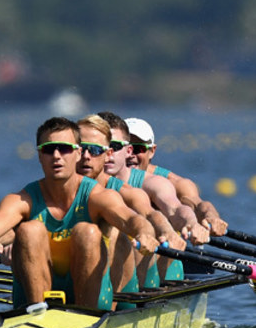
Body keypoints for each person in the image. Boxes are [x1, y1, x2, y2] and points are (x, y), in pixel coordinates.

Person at [0, 116, 160, 311]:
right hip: (36, 298)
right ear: (39, 156)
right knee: (29, 230)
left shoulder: (99, 196)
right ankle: (36, 311)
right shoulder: (23, 199)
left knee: (86, 232)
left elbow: (133, 219)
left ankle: (86, 315)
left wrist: (145, 234)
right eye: (49, 149)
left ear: (78, 153)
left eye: (65, 149)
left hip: (92, 299)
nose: (57, 156)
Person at [74, 114, 190, 297]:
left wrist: (168, 231)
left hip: (132, 278)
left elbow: (153, 214)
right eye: (82, 149)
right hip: (80, 271)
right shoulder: (51, 188)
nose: (87, 156)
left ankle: (117, 306)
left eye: (95, 150)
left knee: (116, 231)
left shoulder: (143, 187)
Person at [99, 111, 209, 286]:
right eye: (99, 147)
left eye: (114, 146)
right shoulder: (77, 179)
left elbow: (176, 209)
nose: (108, 152)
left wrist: (191, 224)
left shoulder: (157, 183)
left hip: (152, 269)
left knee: (125, 232)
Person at [125, 116, 229, 237]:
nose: (130, 155)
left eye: (137, 148)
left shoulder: (174, 183)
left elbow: (198, 205)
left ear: (152, 151)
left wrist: (210, 216)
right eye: (124, 147)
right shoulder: (107, 176)